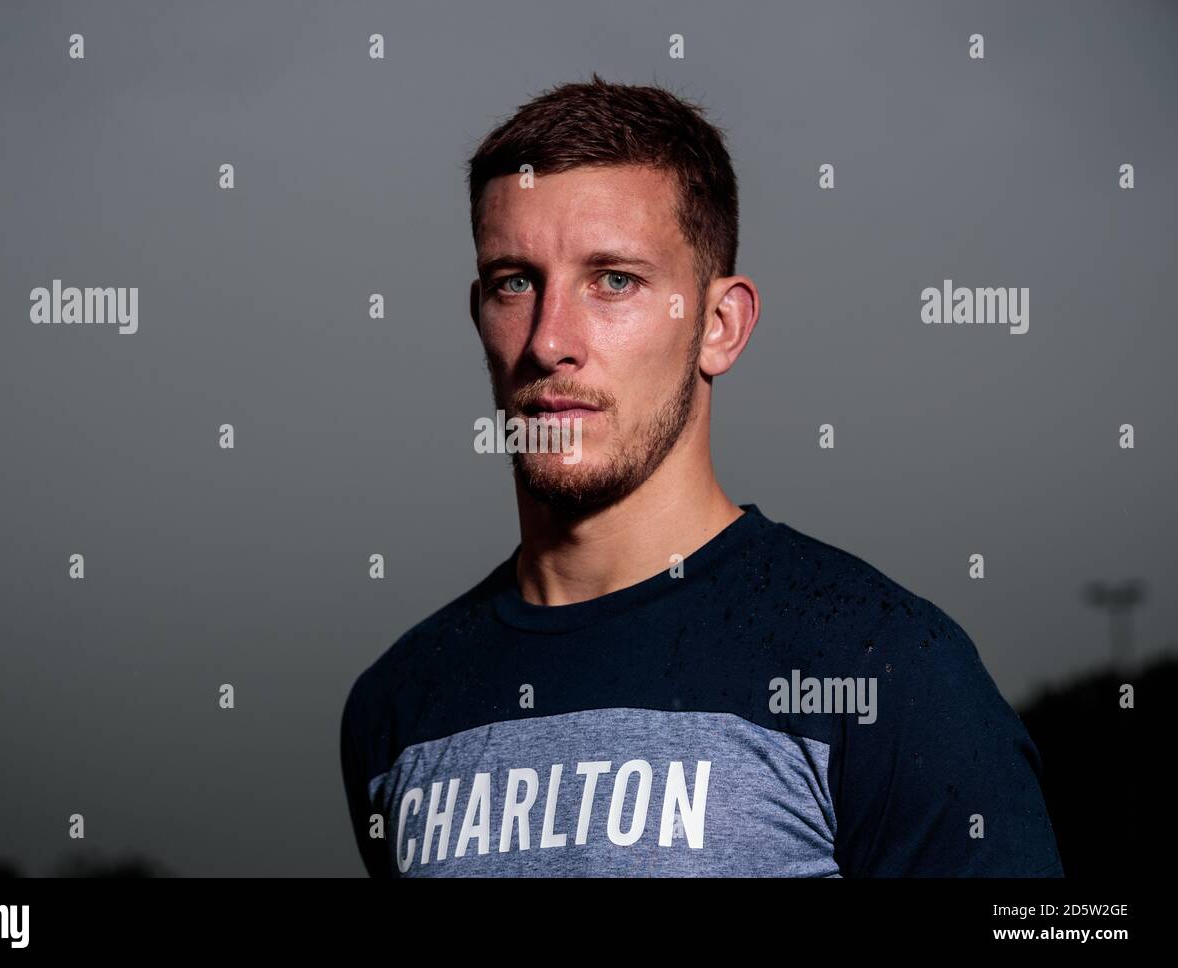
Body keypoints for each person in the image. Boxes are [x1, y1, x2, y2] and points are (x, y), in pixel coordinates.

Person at [340, 73, 1062, 877]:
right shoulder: (397, 704)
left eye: (614, 280)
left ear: (720, 326)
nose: (549, 341)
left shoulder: (885, 668)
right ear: (479, 311)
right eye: (517, 282)